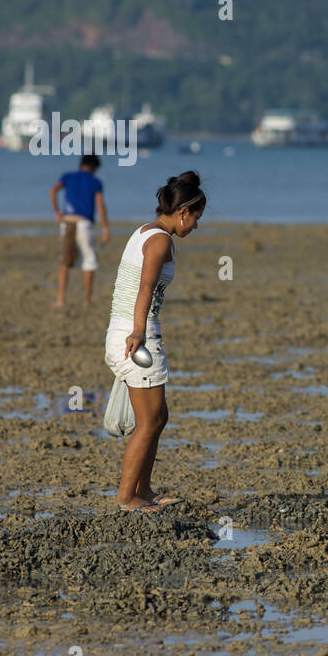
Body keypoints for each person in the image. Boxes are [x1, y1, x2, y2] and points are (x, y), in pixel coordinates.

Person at [103, 171, 206, 512]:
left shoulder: (144, 232)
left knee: (159, 417)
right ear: (183, 212)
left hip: (130, 331)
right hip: (137, 335)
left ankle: (144, 490)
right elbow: (145, 288)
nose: (195, 226)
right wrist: (138, 333)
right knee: (148, 422)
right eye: (196, 218)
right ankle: (126, 498)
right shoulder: (160, 240)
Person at [49, 154, 110, 307]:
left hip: (67, 222)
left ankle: (61, 299)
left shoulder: (68, 177)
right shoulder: (95, 182)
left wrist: (56, 211)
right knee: (89, 261)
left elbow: (53, 190)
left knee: (64, 261)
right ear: (94, 167)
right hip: (84, 224)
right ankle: (87, 300)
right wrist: (105, 228)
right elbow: (100, 205)